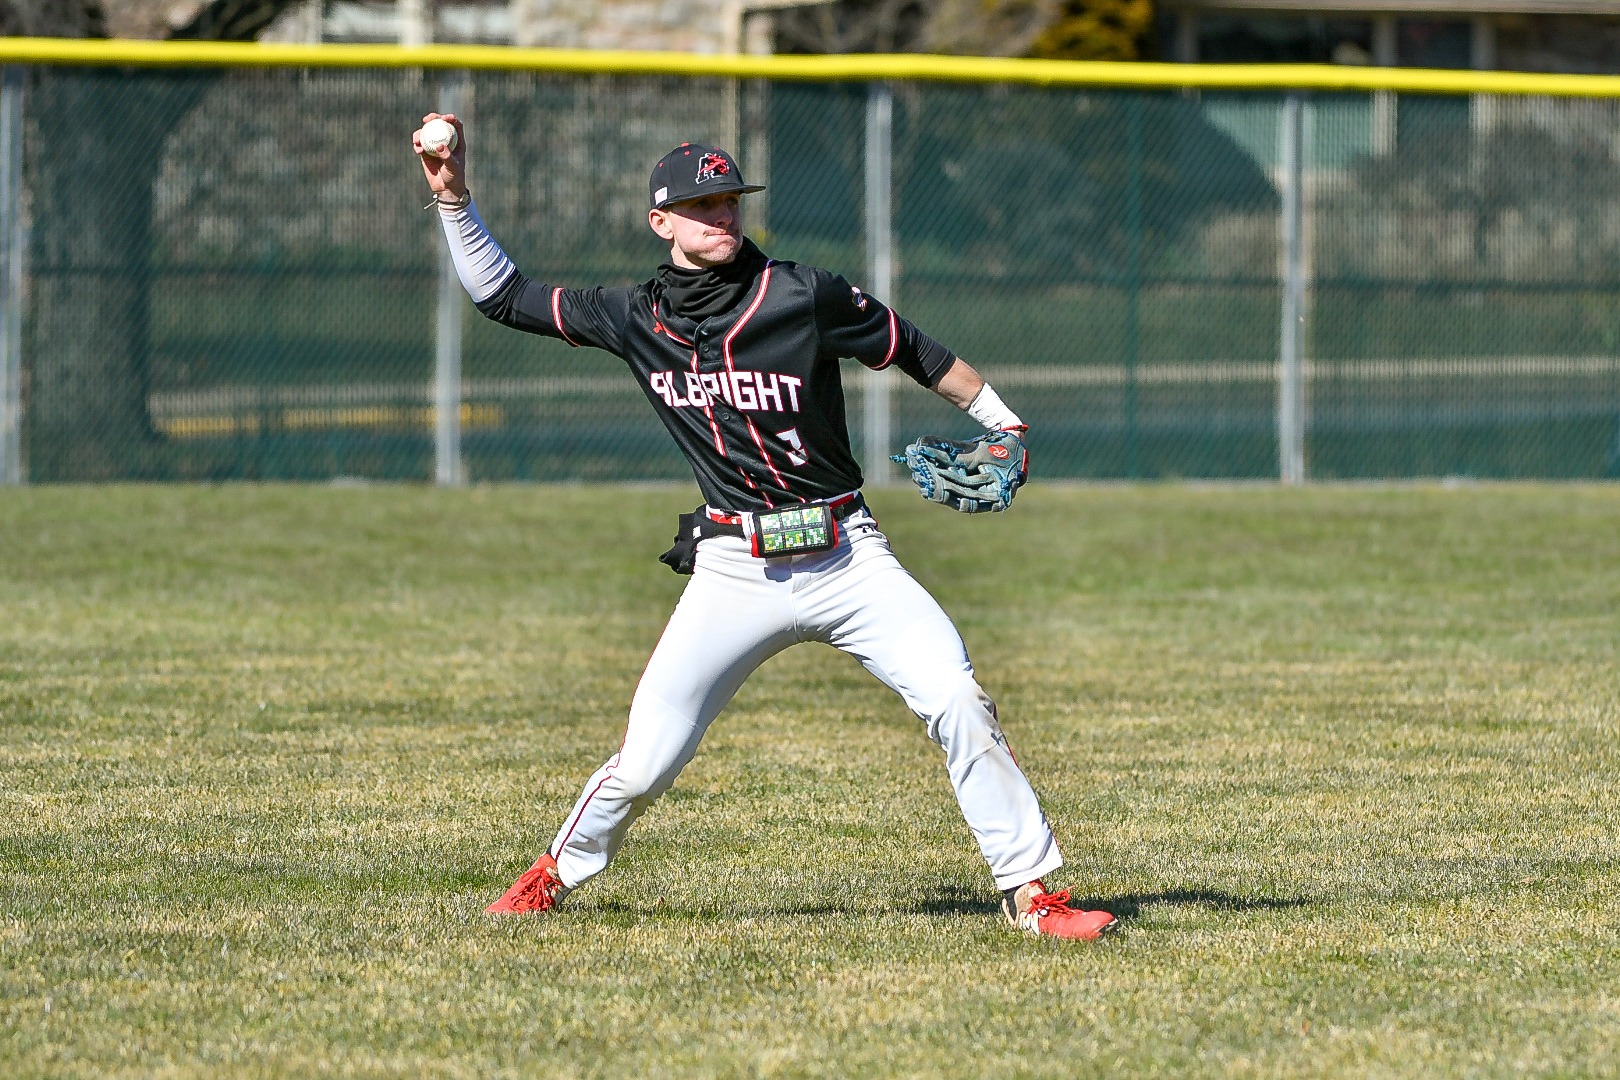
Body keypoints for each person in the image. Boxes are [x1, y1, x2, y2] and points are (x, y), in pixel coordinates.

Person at [413, 113, 1117, 940]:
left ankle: (1033, 896)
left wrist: (1006, 421)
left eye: (730, 200)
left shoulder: (802, 293)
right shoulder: (633, 314)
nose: (721, 215)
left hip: (847, 555)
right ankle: (553, 874)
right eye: (702, 204)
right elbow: (504, 296)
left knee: (960, 699)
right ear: (662, 221)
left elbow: (914, 349)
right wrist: (454, 199)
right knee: (645, 761)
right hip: (734, 569)